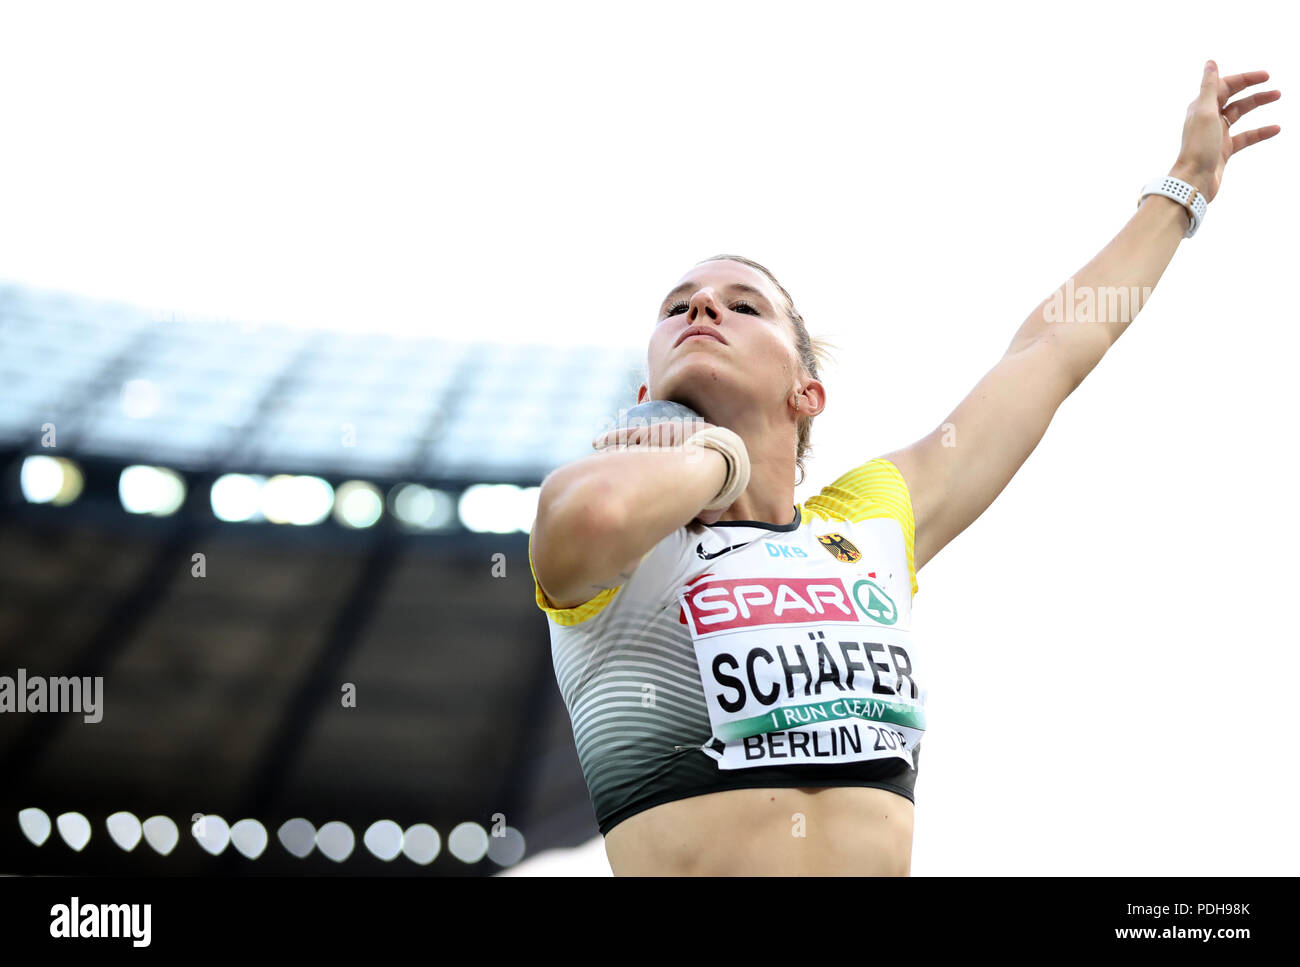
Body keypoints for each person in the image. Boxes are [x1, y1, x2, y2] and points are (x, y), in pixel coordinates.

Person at [527, 61, 1279, 875]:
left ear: (806, 390)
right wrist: (718, 452)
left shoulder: (869, 518)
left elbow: (1051, 349)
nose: (703, 308)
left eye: (744, 305)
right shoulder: (627, 553)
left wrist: (1185, 187)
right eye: (678, 306)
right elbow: (588, 516)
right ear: (645, 388)